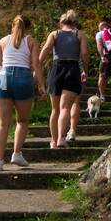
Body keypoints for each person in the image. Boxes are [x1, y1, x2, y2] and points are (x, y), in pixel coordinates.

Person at [0, 15, 45, 171]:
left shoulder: (2, 41)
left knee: (2, 123)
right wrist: (41, 85)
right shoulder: (31, 41)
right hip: (23, 78)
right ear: (28, 28)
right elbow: (36, 64)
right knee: (21, 121)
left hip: (3, 78)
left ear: (12, 26)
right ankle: (16, 154)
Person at [38, 9, 88, 148]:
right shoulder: (79, 34)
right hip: (72, 69)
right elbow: (84, 54)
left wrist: (37, 67)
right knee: (65, 107)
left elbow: (46, 49)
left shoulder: (54, 34)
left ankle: (53, 142)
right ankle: (61, 138)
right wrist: (85, 70)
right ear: (74, 22)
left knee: (55, 110)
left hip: (56, 69)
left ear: (61, 22)